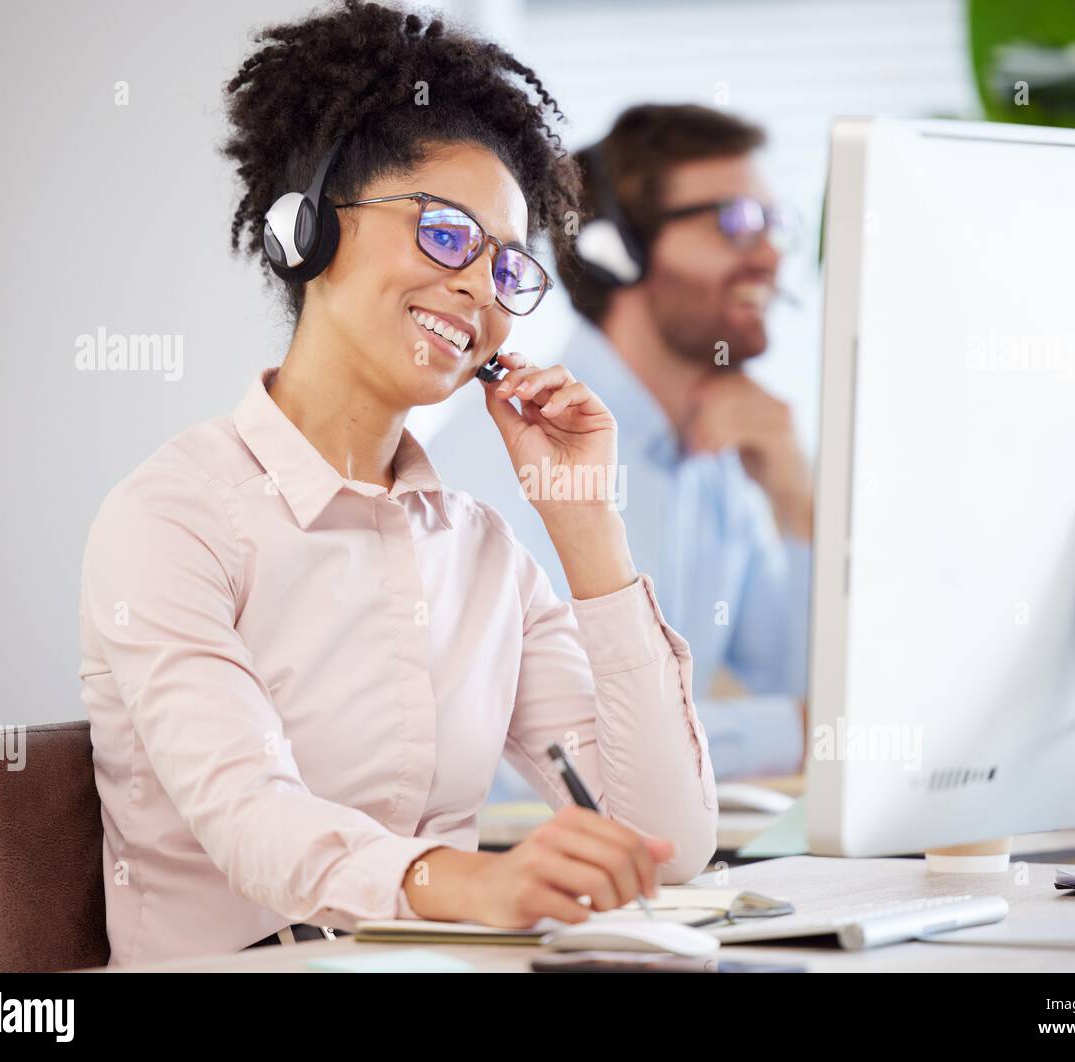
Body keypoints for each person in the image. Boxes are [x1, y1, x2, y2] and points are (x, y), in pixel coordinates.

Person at [77, 2, 715, 967]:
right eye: (448, 237)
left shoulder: (481, 552)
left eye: (510, 270)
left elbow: (668, 845)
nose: (480, 291)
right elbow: (251, 818)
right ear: (310, 234)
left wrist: (588, 525)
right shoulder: (171, 521)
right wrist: (470, 884)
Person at [431, 104, 813, 799]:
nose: (769, 254)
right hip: (516, 871)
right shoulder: (517, 447)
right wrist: (787, 731)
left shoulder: (720, 449)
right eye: (735, 222)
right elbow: (547, 749)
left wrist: (797, 497)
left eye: (773, 222)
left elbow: (796, 688)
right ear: (617, 249)